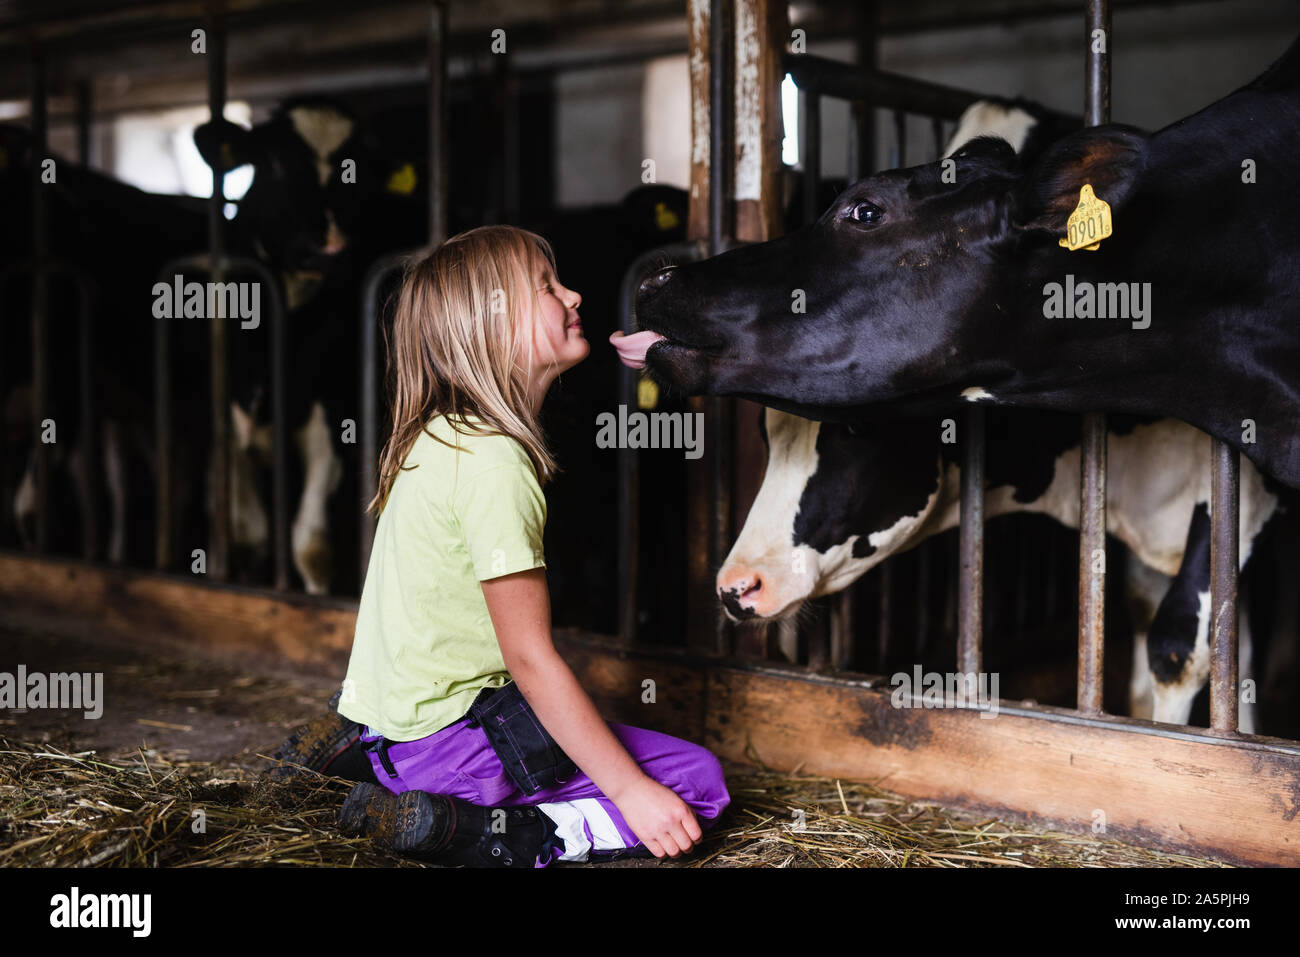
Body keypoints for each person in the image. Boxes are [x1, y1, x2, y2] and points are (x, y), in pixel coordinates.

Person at [333, 225, 730, 868]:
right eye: (546, 288)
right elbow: (529, 657)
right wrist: (631, 791)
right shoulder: (496, 464)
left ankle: (372, 766)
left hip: (398, 726)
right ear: (490, 329)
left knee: (605, 742)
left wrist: (670, 355)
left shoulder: (442, 435)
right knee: (695, 783)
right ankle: (476, 829)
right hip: (456, 747)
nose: (573, 294)